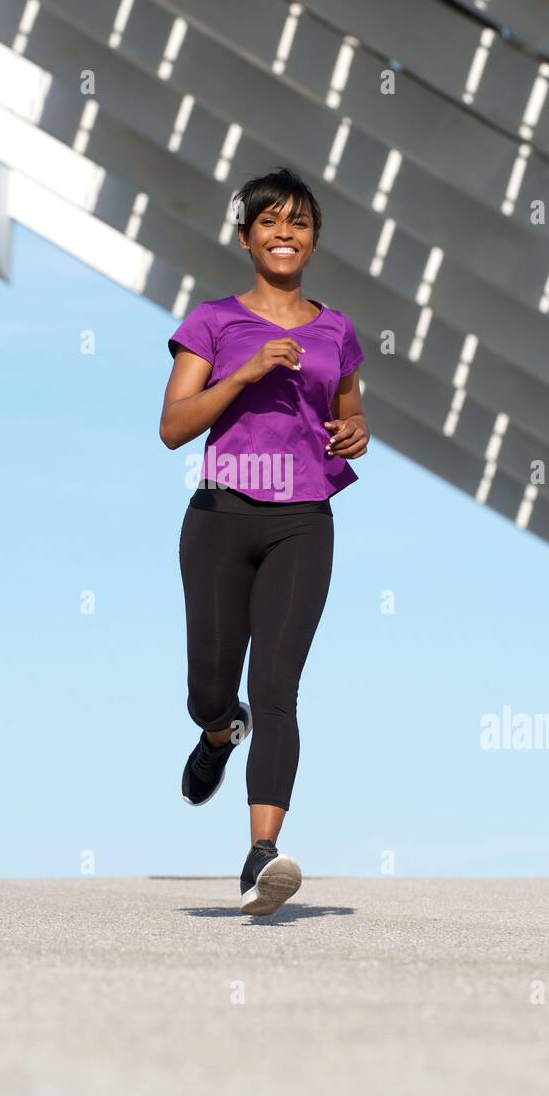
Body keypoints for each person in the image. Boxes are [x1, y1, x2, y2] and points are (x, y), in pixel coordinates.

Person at [159, 167, 368, 916]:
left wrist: (354, 434)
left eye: (300, 223)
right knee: (211, 689)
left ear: (314, 240)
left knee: (278, 687)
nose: (285, 233)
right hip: (220, 517)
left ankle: (261, 856)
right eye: (269, 221)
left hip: (302, 522)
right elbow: (173, 427)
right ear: (244, 234)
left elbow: (349, 419)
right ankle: (218, 732)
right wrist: (244, 372)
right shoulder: (212, 322)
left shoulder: (335, 330)